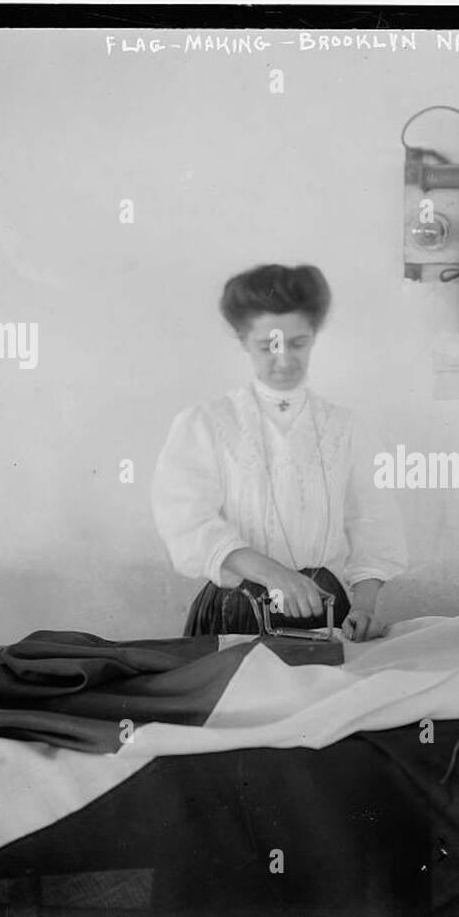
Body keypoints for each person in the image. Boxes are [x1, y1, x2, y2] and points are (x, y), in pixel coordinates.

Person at [152, 263, 407, 641]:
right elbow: (188, 524)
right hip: (236, 613)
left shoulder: (346, 428)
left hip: (325, 611)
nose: (284, 359)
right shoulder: (206, 424)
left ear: (314, 337)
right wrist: (276, 576)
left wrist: (365, 607)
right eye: (267, 345)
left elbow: (373, 525)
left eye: (297, 343)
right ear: (243, 340)